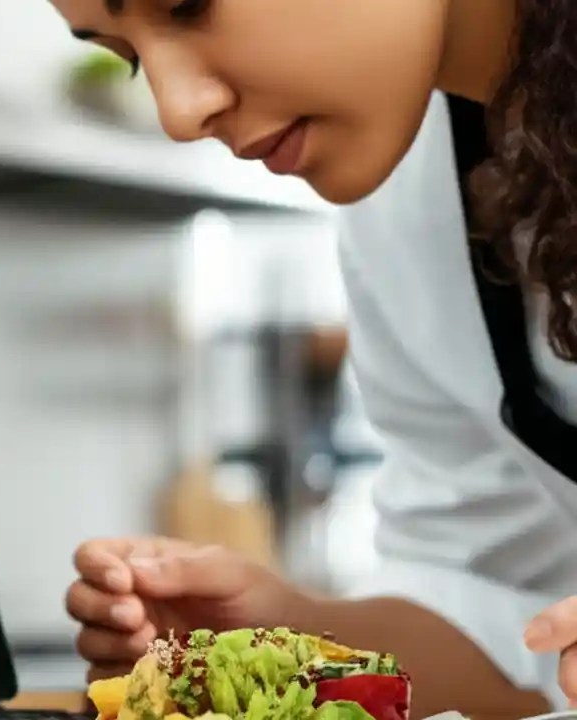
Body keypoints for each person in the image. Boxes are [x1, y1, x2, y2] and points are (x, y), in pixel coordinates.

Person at [47, 0, 577, 716]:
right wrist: (297, 646)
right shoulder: (410, 200)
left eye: (186, 6)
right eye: (129, 58)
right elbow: (516, 629)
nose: (178, 113)